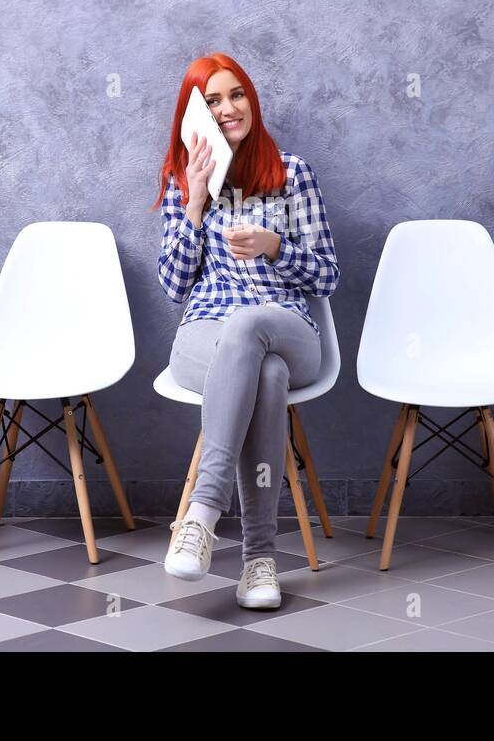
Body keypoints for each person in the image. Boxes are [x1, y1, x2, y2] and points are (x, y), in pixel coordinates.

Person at [153, 52, 339, 609]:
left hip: (286, 325)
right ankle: (259, 561)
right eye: (212, 100)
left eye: (236, 95)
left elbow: (327, 277)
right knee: (267, 374)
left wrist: (274, 246)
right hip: (204, 333)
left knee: (256, 328)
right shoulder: (182, 180)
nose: (228, 108)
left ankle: (202, 512)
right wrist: (195, 197)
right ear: (195, 114)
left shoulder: (291, 173)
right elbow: (172, 283)